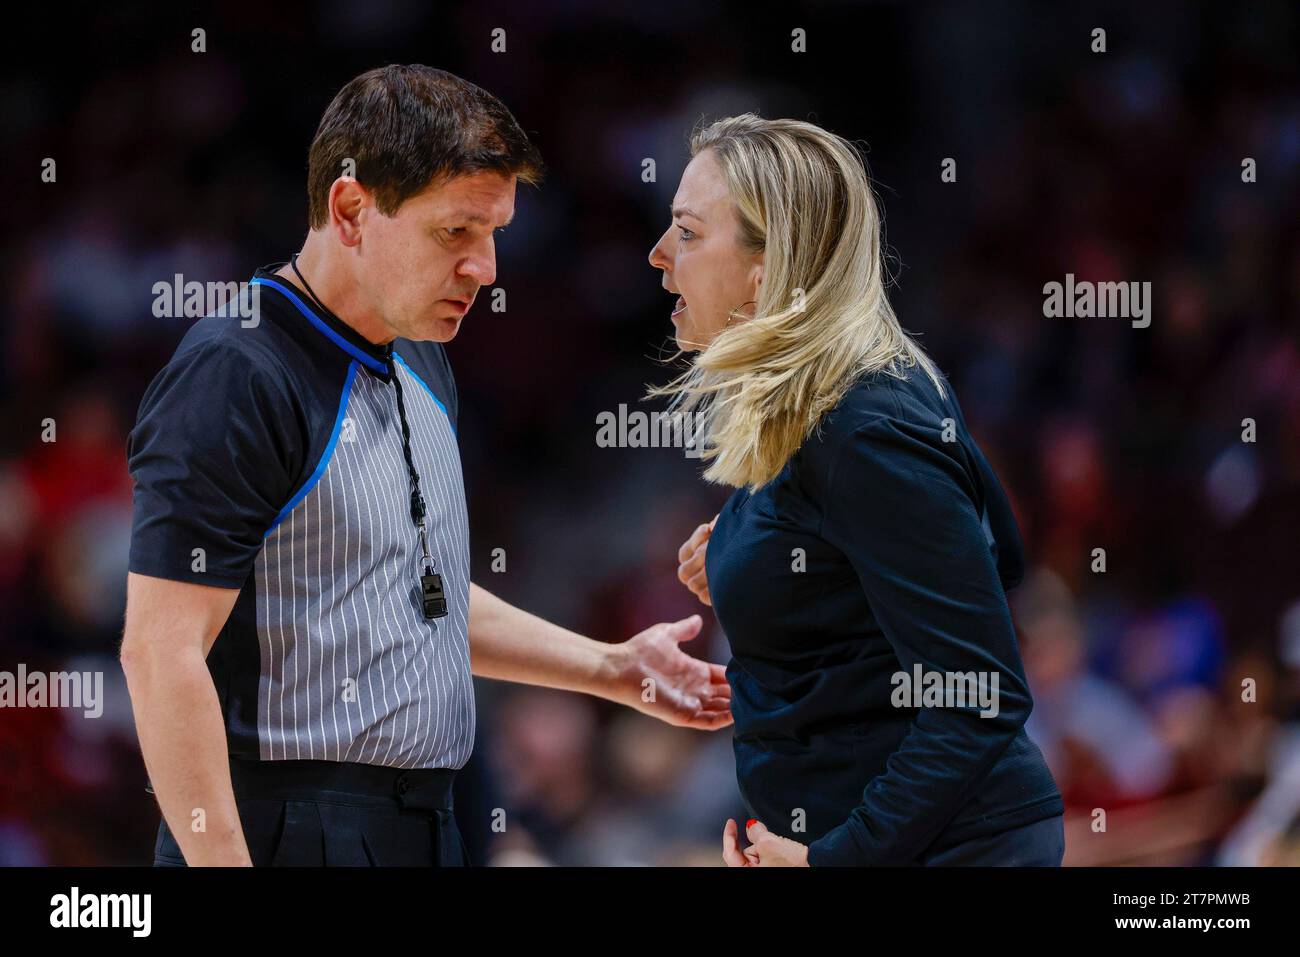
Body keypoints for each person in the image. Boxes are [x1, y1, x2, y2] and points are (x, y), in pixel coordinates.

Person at [121, 64, 731, 868]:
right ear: (350, 210)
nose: (486, 268)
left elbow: (413, 591)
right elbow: (159, 653)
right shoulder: (238, 370)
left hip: (429, 823)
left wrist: (611, 669)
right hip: (288, 828)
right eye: (456, 233)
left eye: (494, 234)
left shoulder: (421, 352)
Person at [648, 114, 1064, 866]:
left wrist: (833, 858)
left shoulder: (864, 421)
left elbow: (979, 695)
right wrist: (761, 558)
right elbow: (957, 559)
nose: (658, 256)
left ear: (768, 265)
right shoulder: (818, 404)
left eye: (686, 232)